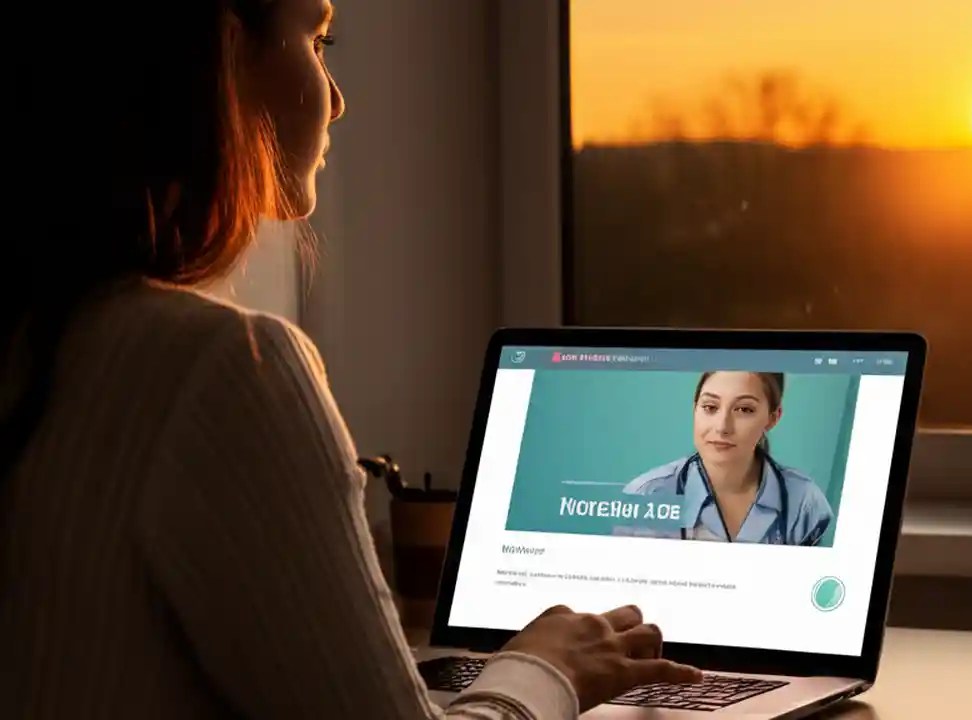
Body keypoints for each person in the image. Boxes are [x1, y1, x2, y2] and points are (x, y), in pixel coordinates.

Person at [0, 1, 698, 717]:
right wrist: (544, 669)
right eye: (318, 38)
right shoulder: (221, 368)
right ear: (222, 55)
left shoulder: (42, 347)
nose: (337, 98)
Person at [622, 372, 835, 546]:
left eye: (744, 409)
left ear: (772, 418)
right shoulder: (646, 494)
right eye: (710, 407)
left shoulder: (805, 503)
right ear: (695, 409)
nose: (722, 427)